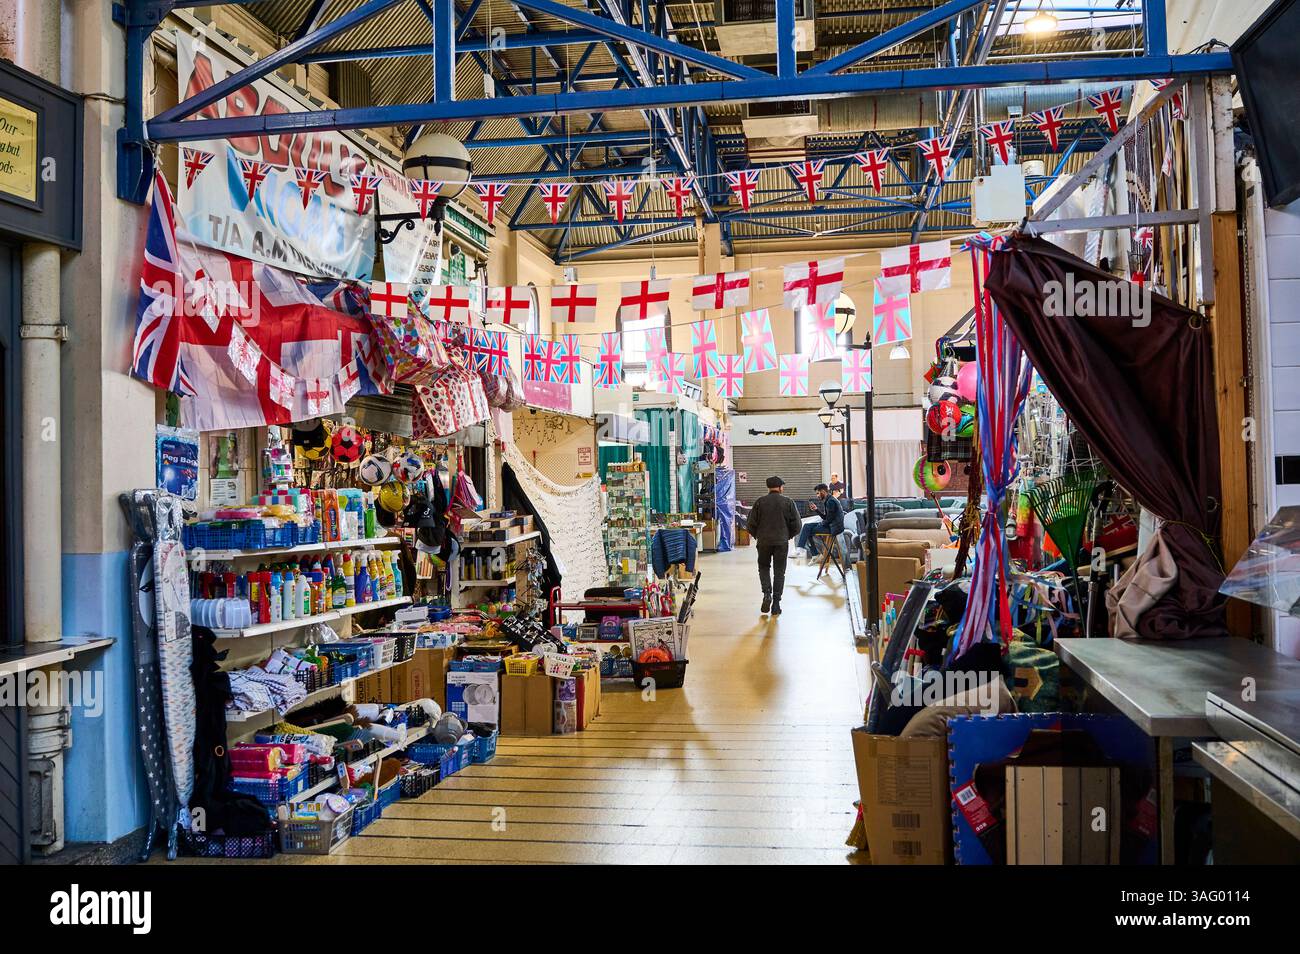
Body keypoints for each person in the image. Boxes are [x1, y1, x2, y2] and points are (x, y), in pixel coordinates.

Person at [745, 475, 801, 616]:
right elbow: (797, 525)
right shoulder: (788, 502)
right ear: (780, 487)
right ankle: (776, 604)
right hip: (781, 542)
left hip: (763, 541)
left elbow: (750, 524)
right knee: (779, 572)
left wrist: (758, 536)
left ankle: (766, 594)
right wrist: (788, 536)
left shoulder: (760, 502)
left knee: (764, 568)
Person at [797, 483, 845, 560]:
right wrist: (816, 510)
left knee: (807, 529)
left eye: (818, 493)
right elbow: (826, 518)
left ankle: (805, 550)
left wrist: (820, 524)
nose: (817, 496)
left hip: (834, 529)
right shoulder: (829, 500)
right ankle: (809, 552)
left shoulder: (830, 501)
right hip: (832, 526)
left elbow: (829, 520)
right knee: (807, 527)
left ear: (823, 491)